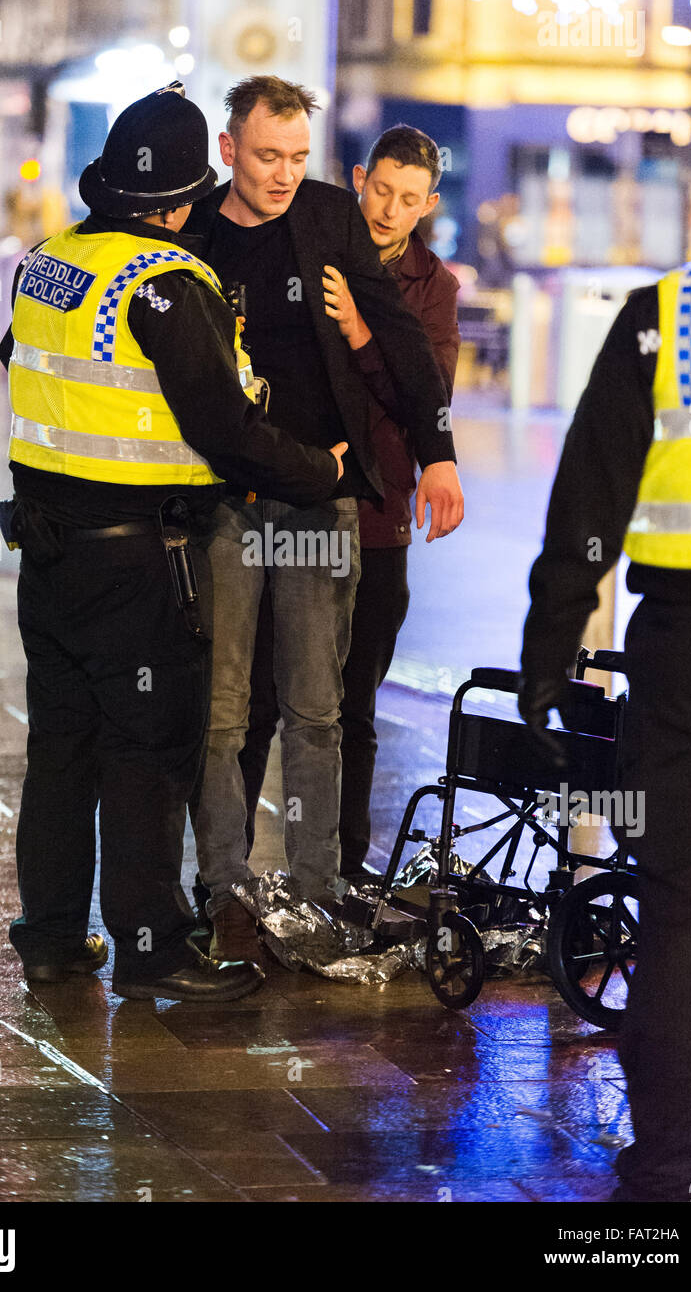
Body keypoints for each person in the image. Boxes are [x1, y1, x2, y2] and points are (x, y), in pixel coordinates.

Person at [0, 83, 345, 1003]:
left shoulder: (52, 263)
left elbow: (16, 361)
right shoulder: (167, 285)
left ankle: (52, 936)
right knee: (147, 751)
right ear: (186, 199)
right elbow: (226, 429)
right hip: (140, 562)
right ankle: (152, 950)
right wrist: (323, 469)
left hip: (48, 551)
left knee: (62, 746)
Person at [186, 77, 464, 964]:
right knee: (225, 711)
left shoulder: (329, 217)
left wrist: (439, 451)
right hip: (226, 498)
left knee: (317, 707)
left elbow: (406, 344)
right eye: (267, 156)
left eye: (298, 157)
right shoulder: (191, 227)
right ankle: (221, 887)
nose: (283, 174)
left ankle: (315, 891)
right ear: (228, 150)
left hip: (322, 499)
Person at [518, 129, 691, 1201]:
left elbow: (587, 508)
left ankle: (670, 1166)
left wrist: (548, 655)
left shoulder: (671, 319)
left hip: (689, 644)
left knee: (685, 904)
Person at [238, 125, 461, 887]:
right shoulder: (311, 242)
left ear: (427, 204)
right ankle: (229, 874)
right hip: (295, 506)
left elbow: (421, 399)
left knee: (352, 710)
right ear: (359, 179)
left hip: (376, 522)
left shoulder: (433, 288)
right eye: (380, 191)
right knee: (260, 701)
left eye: (409, 200)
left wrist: (364, 335)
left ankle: (344, 868)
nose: (389, 211)